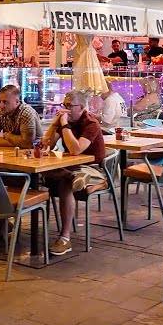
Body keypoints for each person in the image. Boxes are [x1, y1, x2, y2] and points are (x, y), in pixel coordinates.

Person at [41, 92, 107, 256]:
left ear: (82, 108)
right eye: (64, 105)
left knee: (65, 183)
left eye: (69, 106)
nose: (65, 109)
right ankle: (6, 221)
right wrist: (54, 124)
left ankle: (65, 237)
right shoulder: (65, 121)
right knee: (40, 175)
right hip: (72, 167)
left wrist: (64, 125)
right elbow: (46, 144)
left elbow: (75, 149)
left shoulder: (91, 124)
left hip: (93, 168)